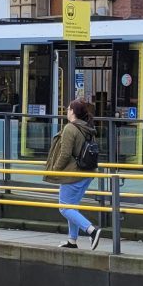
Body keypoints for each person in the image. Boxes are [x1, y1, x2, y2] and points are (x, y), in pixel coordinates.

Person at [44, 97, 104, 250]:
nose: (67, 111)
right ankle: (72, 241)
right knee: (72, 207)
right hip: (87, 172)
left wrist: (54, 170)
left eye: (69, 109)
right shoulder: (87, 128)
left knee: (64, 207)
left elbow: (65, 154)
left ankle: (91, 230)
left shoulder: (70, 128)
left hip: (73, 174)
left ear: (73, 112)